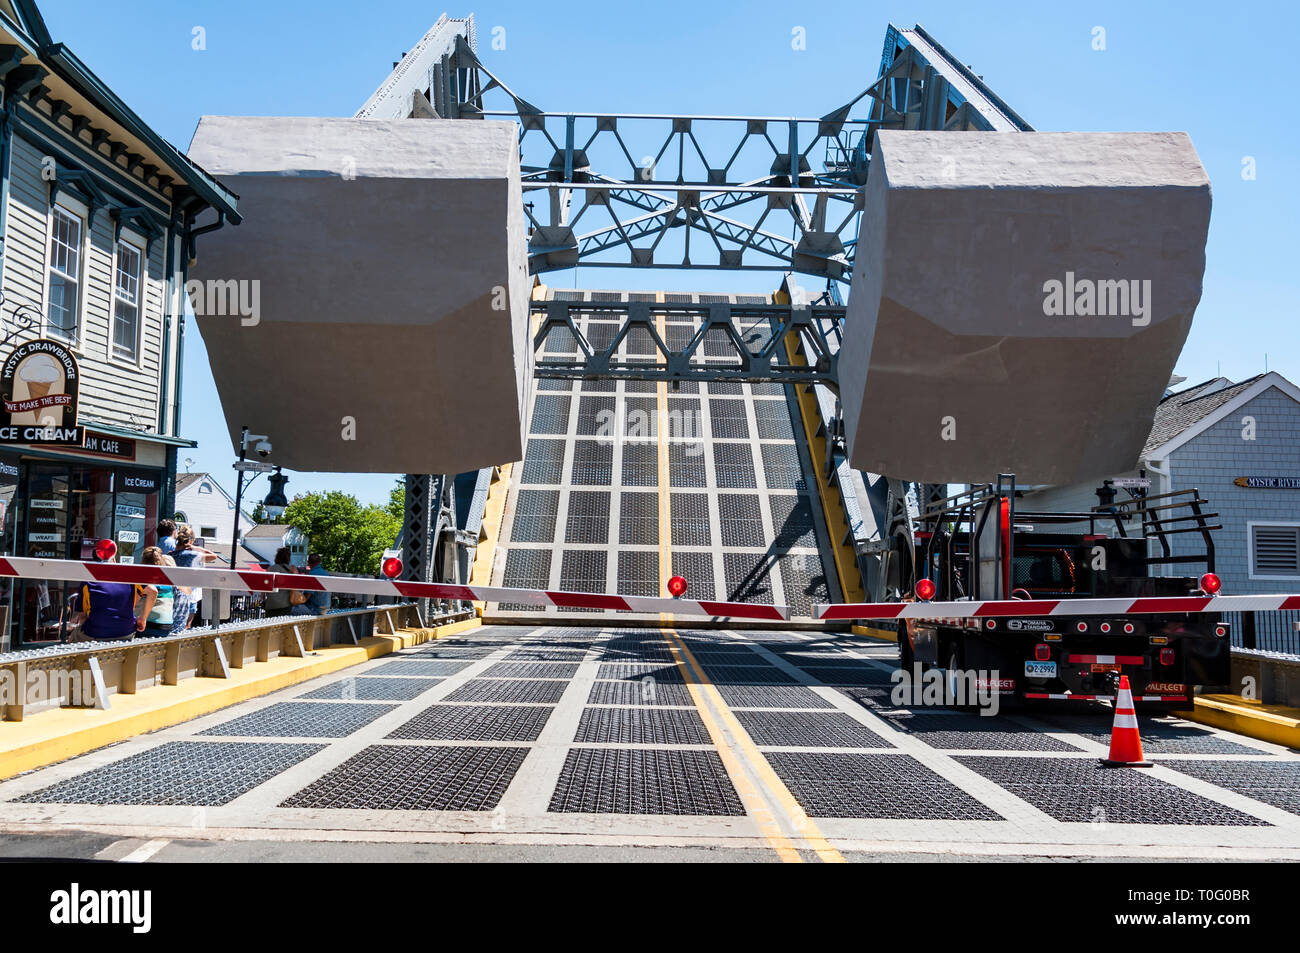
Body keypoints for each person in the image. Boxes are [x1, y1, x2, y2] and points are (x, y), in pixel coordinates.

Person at [70, 547, 143, 642]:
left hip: (96, 634)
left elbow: (82, 616)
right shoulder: (129, 577)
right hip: (126, 633)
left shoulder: (88, 581)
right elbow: (153, 590)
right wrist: (143, 618)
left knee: (73, 637)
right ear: (113, 559)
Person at [172, 524, 218, 627]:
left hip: (173, 595)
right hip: (190, 595)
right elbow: (213, 556)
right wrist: (195, 548)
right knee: (186, 627)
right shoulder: (193, 555)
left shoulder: (171, 555)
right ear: (191, 540)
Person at [136, 546, 175, 639]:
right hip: (165, 626)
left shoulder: (143, 578)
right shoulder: (167, 580)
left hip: (147, 624)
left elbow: (134, 602)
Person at [262, 546, 296, 617]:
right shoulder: (292, 570)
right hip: (285, 604)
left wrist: (264, 599)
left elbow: (264, 587)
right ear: (288, 558)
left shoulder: (270, 569)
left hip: (271, 604)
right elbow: (297, 586)